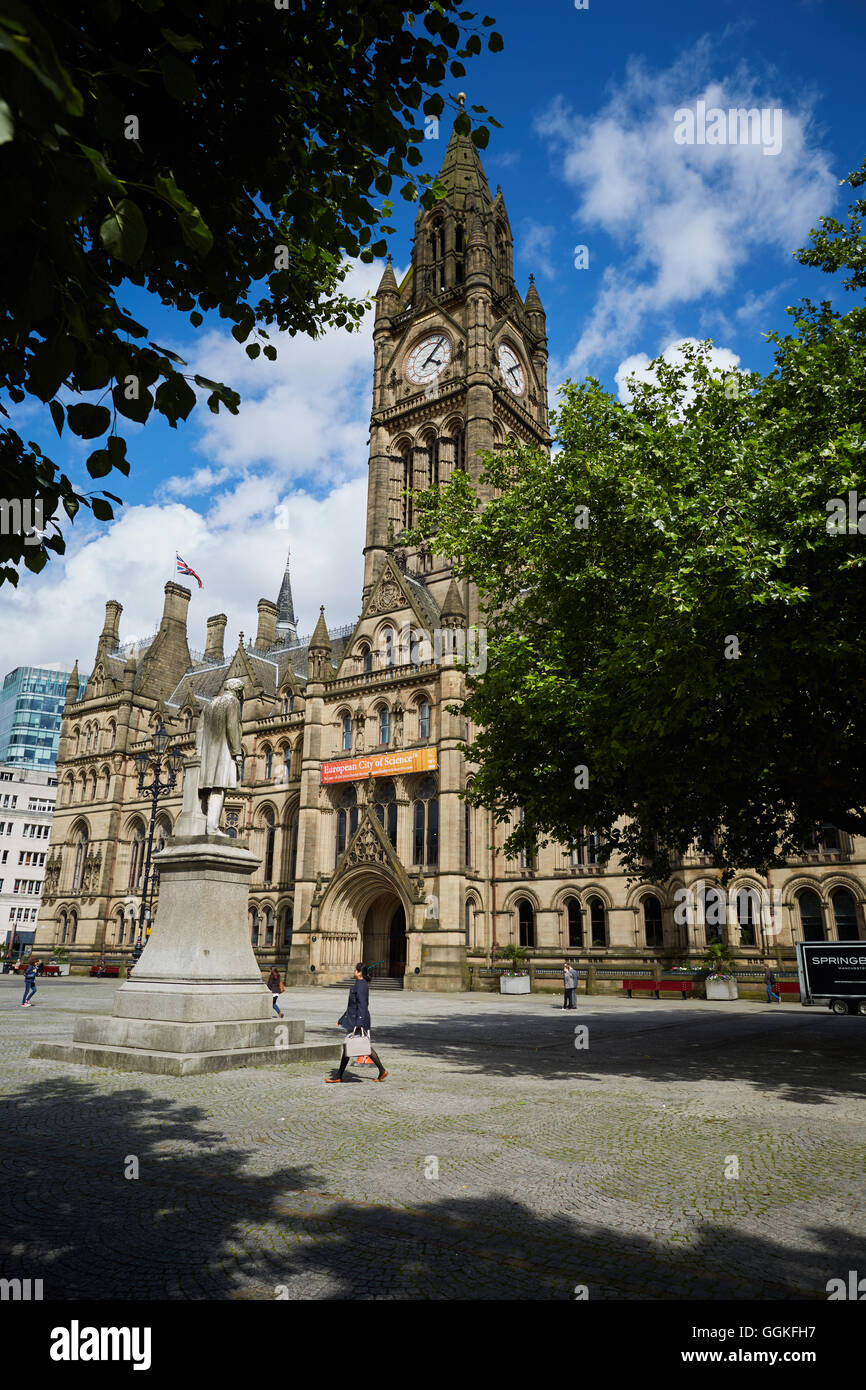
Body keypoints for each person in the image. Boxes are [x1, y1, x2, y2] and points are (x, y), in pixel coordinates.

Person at [326, 962, 388, 1083]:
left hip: (359, 1021)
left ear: (359, 973)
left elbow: (363, 1005)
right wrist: (342, 1018)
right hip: (355, 1019)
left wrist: (359, 1022)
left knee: (355, 1047)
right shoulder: (359, 984)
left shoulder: (361, 985)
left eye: (355, 970)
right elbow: (352, 1005)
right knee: (359, 1047)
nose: (353, 971)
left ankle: (339, 1075)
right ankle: (381, 1070)